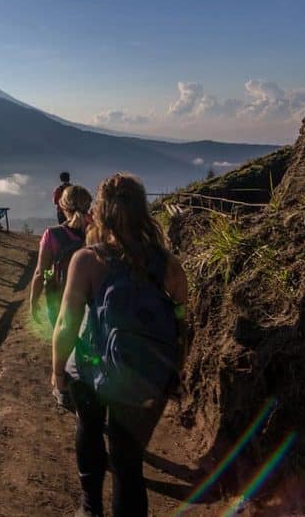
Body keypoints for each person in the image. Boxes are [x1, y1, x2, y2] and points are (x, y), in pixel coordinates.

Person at [51, 173, 188, 517]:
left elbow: (67, 324)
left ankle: (90, 507)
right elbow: (182, 324)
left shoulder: (86, 260)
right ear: (143, 211)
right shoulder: (170, 266)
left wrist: (57, 373)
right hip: (142, 377)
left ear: (99, 213)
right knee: (129, 464)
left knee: (89, 429)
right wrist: (173, 371)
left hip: (89, 370)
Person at [29, 185, 92, 325]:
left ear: (62, 206)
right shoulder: (99, 232)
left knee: (62, 342)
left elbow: (40, 272)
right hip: (92, 302)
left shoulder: (52, 234)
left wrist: (33, 302)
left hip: (60, 300)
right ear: (88, 205)